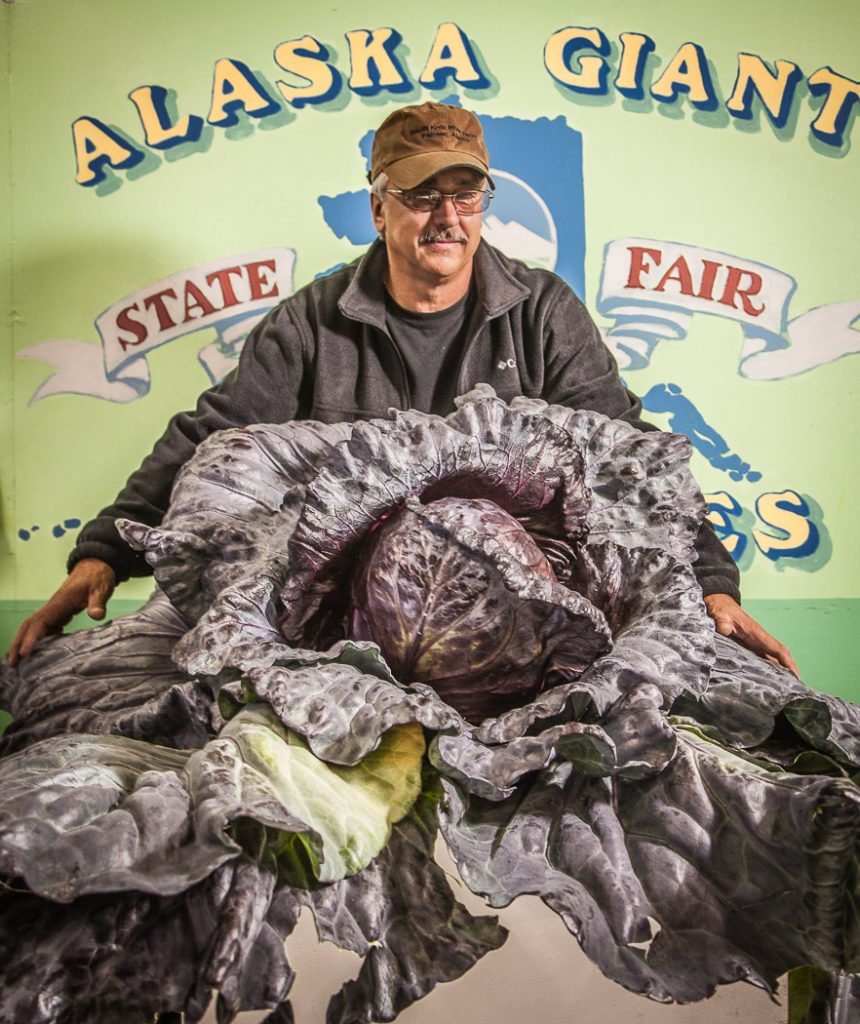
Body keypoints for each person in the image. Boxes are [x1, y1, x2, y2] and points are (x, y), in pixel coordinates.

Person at [8, 102, 797, 674]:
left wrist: (710, 589)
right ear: (378, 204)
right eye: (421, 196)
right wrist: (105, 551)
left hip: (525, 639)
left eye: (466, 195)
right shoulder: (313, 323)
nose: (445, 217)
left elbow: (633, 464)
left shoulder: (545, 314)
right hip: (330, 638)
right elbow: (213, 438)